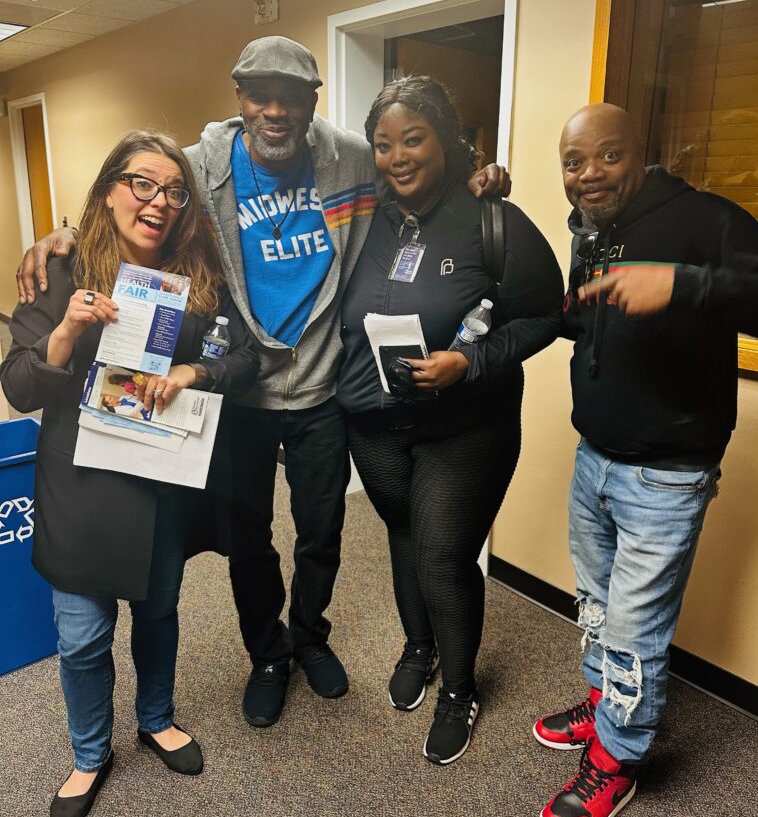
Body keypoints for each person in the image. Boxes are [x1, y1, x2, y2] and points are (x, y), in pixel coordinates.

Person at [17, 36, 510, 730]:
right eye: (260, 94)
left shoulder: (350, 156)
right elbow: (129, 197)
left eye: (292, 97)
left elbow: (420, 169)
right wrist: (58, 235)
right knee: (247, 536)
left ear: (312, 103)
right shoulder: (201, 162)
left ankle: (309, 636)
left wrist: (479, 179)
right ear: (239, 97)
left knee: (322, 530)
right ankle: (268, 654)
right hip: (238, 393)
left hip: (321, 390)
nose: (275, 110)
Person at [1, 131, 260, 817]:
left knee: (159, 611)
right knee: (83, 636)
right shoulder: (59, 270)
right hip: (80, 484)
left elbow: (244, 360)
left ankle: (156, 719)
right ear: (110, 187)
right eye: (143, 184)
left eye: (174, 190)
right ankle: (89, 754)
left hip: (160, 481)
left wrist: (194, 374)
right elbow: (18, 386)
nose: (159, 202)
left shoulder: (197, 275)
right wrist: (64, 334)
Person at [535, 103, 758, 817]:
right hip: (595, 458)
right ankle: (608, 708)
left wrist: (683, 285)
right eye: (574, 162)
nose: (588, 175)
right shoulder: (594, 230)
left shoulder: (705, 220)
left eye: (607, 156)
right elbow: (584, 321)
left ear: (643, 152)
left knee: (635, 629)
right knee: (599, 610)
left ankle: (620, 759)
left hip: (667, 476)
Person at [335, 76, 563, 765]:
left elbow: (549, 315)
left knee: (442, 554)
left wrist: (472, 359)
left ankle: (458, 690)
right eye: (383, 144)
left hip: (465, 426)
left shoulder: (489, 217)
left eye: (413, 139)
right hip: (372, 423)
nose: (397, 157)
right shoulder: (365, 215)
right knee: (405, 536)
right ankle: (419, 647)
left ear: (445, 142)